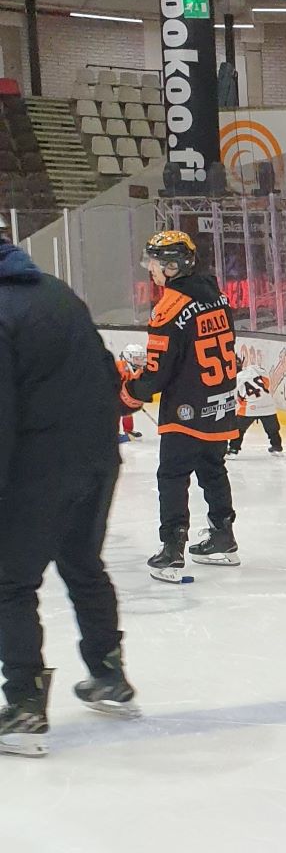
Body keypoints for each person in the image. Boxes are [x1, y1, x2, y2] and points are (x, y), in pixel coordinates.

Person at [0, 236, 137, 753]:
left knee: (9, 584)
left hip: (37, 472)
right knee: (82, 564)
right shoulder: (59, 293)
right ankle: (108, 674)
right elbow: (106, 374)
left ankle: (24, 707)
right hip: (98, 460)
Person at [123, 229, 239, 583]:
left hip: (186, 409)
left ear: (173, 266)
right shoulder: (217, 296)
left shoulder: (170, 307)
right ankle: (223, 537)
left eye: (155, 263)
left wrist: (129, 392)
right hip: (219, 402)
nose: (151, 270)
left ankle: (172, 549)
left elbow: (157, 375)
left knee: (172, 475)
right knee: (213, 469)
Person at [229, 343, 283, 454]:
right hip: (268, 404)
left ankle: (234, 449)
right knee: (273, 430)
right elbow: (266, 379)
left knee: (238, 429)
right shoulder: (253, 368)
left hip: (250, 407)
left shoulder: (234, 379)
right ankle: (277, 447)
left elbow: (235, 398)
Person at [115, 340, 145, 442]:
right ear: (129, 357)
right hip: (113, 393)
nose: (140, 361)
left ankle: (128, 430)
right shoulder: (119, 366)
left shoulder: (140, 370)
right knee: (115, 410)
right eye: (137, 358)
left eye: (141, 358)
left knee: (127, 411)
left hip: (124, 393)